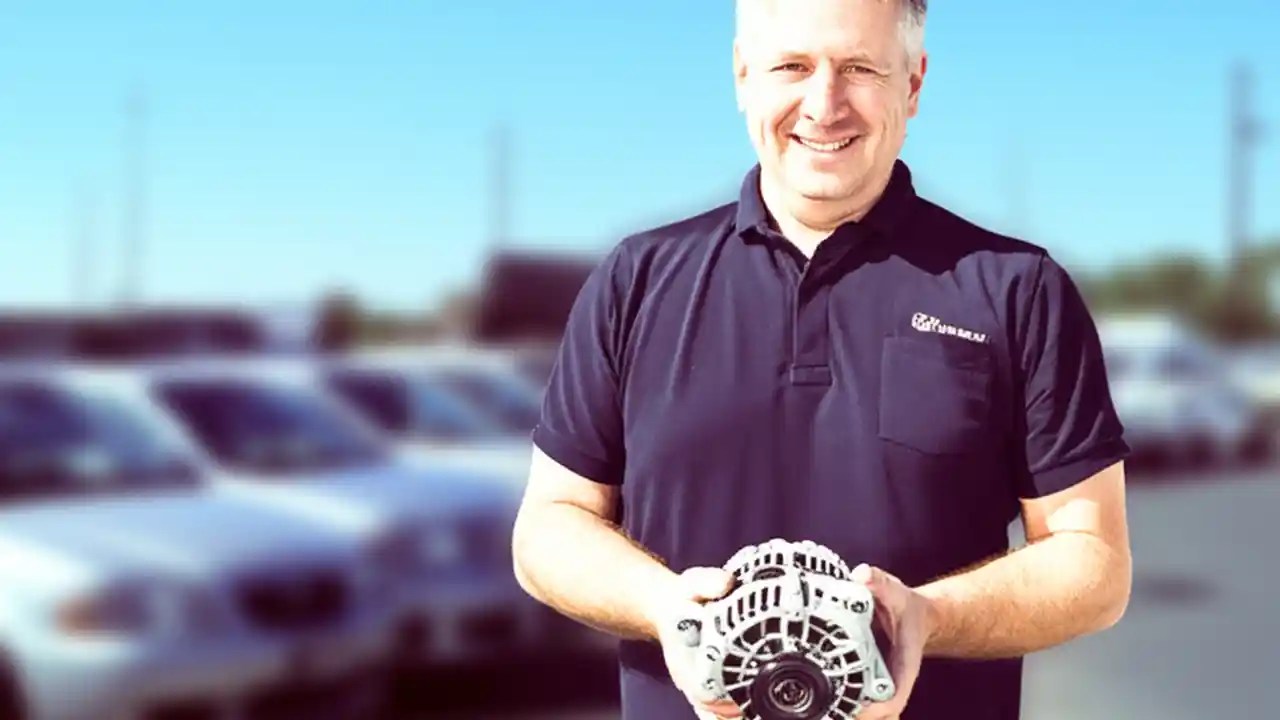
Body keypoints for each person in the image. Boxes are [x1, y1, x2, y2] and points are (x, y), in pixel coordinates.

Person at [511, 0, 1133, 718]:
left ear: (913, 83)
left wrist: (926, 618)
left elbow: (1094, 560)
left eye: (860, 68)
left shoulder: (1019, 290)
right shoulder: (636, 280)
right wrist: (662, 603)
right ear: (743, 76)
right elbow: (550, 525)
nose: (824, 104)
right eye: (792, 67)